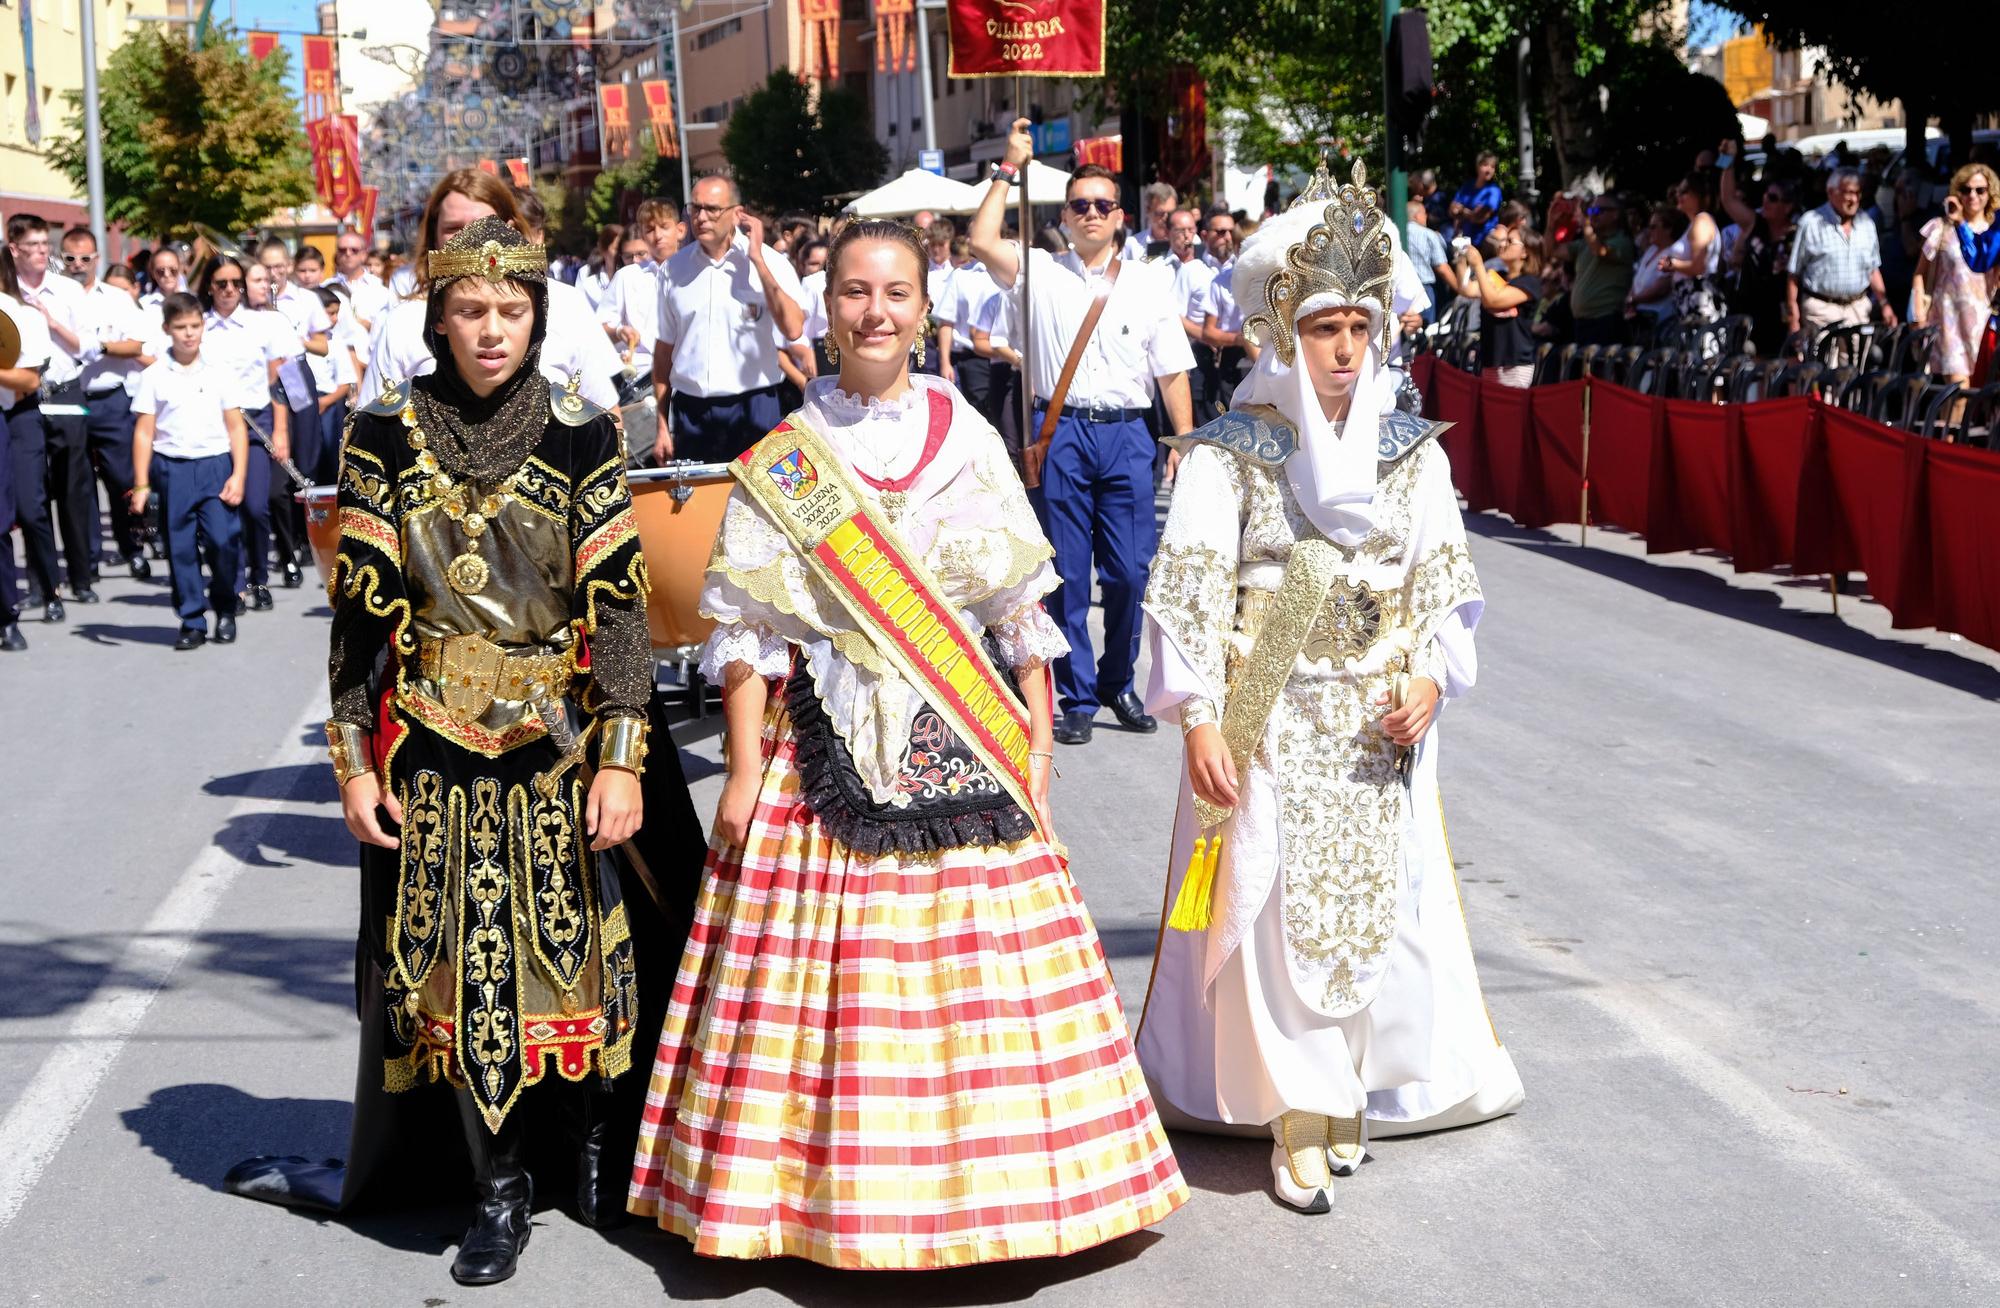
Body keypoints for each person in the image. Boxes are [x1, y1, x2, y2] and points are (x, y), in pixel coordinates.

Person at [627, 218, 1188, 1266]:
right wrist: (743, 771)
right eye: (852, 291)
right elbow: (749, 633)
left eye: (894, 292)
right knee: (821, 991)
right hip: (821, 739)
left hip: (958, 723)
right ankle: (808, 1205)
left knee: (977, 974)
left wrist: (1033, 736)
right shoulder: (782, 460)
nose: (874, 311)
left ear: (925, 308)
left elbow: (1018, 599)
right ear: (822, 305)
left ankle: (1003, 1201)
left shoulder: (963, 431)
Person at [233, 218, 660, 1285]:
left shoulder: (581, 432)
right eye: (470, 310)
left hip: (552, 740)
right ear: (436, 315)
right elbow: (358, 622)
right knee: (457, 973)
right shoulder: (381, 431)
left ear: (538, 317)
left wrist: (619, 754)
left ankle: (592, 1161)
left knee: (579, 963)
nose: (490, 330)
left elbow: (618, 614)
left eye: (511, 311)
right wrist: (351, 761)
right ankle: (496, 1190)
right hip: (431, 740)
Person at [1135, 161, 1523, 1214]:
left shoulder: (1413, 457)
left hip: (1373, 727)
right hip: (1265, 722)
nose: (1342, 351)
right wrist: (1202, 719)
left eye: (1357, 326)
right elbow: (1185, 592)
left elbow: (1444, 586)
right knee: (1267, 916)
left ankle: (1343, 1087)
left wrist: (1432, 681)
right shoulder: (1230, 456)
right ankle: (1294, 1116)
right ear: (1279, 333)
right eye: (1320, 329)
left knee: (1366, 912)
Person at [969, 121, 1196, 747]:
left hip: (1128, 435)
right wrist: (1007, 167)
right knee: (1066, 573)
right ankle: (1074, 695)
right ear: (1065, 215)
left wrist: (1186, 443)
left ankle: (1118, 681)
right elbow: (981, 236)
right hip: (1060, 430)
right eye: (1080, 204)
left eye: (1102, 204)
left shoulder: (1150, 278)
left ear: (1120, 215)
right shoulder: (1037, 269)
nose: (1091, 213)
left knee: (1129, 573)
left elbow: (1172, 370)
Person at [357, 171, 623, 411]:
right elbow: (371, 432)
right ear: (433, 237)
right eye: (453, 228)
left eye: (482, 224)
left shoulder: (566, 304)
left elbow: (605, 415)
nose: (467, 238)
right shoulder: (403, 322)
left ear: (510, 228)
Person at [648, 174, 805, 464]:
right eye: (695, 208)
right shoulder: (673, 270)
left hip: (756, 405)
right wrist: (661, 425)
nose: (701, 217)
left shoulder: (770, 261)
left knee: (759, 504)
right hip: (693, 414)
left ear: (737, 213)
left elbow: (794, 328)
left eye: (712, 209)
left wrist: (757, 260)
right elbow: (663, 355)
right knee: (701, 507)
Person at [127, 292, 250, 651]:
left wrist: (238, 474)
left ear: (203, 326)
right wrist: (141, 483)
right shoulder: (153, 375)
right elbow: (144, 432)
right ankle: (191, 619)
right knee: (180, 547)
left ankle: (226, 606)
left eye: (195, 325)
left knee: (222, 542)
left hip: (215, 465)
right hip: (173, 468)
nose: (189, 334)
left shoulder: (219, 371)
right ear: (167, 329)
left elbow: (237, 428)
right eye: (180, 327)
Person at [9, 213, 97, 611]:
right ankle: (44, 581)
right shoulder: (6, 293)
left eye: (47, 244)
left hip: (65, 393)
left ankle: (80, 575)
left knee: (73, 488)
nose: (43, 252)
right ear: (14, 249)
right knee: (31, 495)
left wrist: (51, 322)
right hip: (23, 399)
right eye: (34, 246)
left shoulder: (66, 290)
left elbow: (88, 348)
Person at [198, 255, 296, 611]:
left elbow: (279, 382)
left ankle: (259, 576)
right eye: (221, 283)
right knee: (225, 509)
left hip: (256, 422)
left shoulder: (260, 325)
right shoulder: (200, 326)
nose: (229, 290)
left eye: (236, 283)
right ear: (209, 285)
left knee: (256, 506)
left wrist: (281, 430)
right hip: (213, 426)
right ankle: (234, 582)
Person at [63, 225, 156, 578]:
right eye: (70, 257)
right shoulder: (54, 297)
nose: (78, 264)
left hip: (110, 398)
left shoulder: (115, 298)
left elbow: (136, 344)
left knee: (122, 480)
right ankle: (87, 560)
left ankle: (131, 546)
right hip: (70, 398)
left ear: (96, 258)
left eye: (85, 257)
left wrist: (101, 347)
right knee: (78, 483)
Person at [1, 251, 55, 648]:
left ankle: (8, 615)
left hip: (12, 416)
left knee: (22, 512)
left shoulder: (16, 314)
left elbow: (27, 379)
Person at [1787, 168, 1896, 363]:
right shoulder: (1811, 223)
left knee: (1856, 369)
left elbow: (1872, 269)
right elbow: (1794, 273)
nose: (1853, 199)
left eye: (1857, 193)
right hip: (1821, 309)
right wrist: (1793, 317)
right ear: (1831, 192)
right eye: (1848, 192)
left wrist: (1884, 304)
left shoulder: (1866, 223)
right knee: (1824, 371)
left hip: (1857, 308)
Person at [1913, 163, 2000, 389]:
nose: (1973, 195)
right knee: (1957, 393)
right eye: (1966, 189)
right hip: (1948, 321)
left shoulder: (1994, 233)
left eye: (1980, 190)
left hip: (1983, 323)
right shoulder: (1940, 227)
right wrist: (1918, 316)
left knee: (1981, 395)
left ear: (1989, 193)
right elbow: (1919, 274)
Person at [597, 198, 683, 364]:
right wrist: (620, 332)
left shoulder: (696, 271)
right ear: (643, 235)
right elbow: (598, 328)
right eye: (650, 230)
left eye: (664, 227)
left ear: (680, 230)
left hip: (687, 372)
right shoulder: (626, 277)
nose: (658, 236)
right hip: (644, 371)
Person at [1720, 177, 1798, 358]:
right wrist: (1727, 160)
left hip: (1780, 312)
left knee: (1784, 362)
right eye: (1765, 195)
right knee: (1753, 365)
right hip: (1750, 309)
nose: (1765, 200)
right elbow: (1728, 200)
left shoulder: (1797, 234)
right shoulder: (1755, 224)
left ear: (1787, 206)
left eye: (1772, 198)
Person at [1460, 227, 1545, 387]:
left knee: (1509, 411)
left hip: (1515, 365)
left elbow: (1493, 300)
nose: (1502, 244)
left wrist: (1478, 265)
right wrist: (1461, 259)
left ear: (1525, 252)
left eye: (1510, 241)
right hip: (1491, 361)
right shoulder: (1498, 275)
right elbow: (1466, 289)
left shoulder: (1530, 283)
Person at [1662, 173, 1724, 340]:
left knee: (1701, 355)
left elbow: (1699, 267)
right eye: (1677, 191)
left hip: (1697, 299)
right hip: (1688, 299)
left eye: (1684, 191)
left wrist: (1672, 264)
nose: (1678, 195)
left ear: (1700, 195)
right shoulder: (1695, 223)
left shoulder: (1701, 221)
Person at [1569, 193, 1636, 347]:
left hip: (1606, 321)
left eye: (1598, 211)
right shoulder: (1586, 243)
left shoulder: (1622, 241)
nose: (1592, 215)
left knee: (1602, 370)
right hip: (1583, 323)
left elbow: (1602, 252)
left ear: (1615, 214)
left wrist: (1585, 223)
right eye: (1590, 211)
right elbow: (1552, 251)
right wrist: (1553, 220)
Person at [306, 286, 358, 480]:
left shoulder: (336, 342)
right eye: (329, 313)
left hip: (328, 405)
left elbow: (345, 382)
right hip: (304, 404)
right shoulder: (302, 340)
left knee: (330, 455)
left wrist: (325, 402)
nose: (334, 319)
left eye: (336, 313)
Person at [1626, 204, 1682, 338]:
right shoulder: (1650, 250)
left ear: (1668, 229)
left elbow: (1661, 289)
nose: (1648, 231)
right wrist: (1631, 300)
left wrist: (1632, 300)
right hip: (1640, 319)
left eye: (1653, 227)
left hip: (1661, 322)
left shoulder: (1674, 253)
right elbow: (1636, 281)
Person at [332, 227, 393, 336]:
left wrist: (369, 326)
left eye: (354, 250)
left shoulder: (380, 288)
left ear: (364, 255)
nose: (348, 253)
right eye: (342, 250)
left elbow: (390, 328)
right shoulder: (327, 288)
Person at [1404, 199, 1455, 326]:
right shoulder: (1428, 234)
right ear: (1416, 215)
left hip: (1400, 290)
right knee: (1426, 333)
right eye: (1424, 213)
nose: (1426, 216)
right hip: (1424, 291)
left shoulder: (1394, 233)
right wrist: (1459, 289)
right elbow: (1442, 268)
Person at [1449, 152, 1503, 244]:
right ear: (1477, 166)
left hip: (1484, 242)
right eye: (1485, 165)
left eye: (1492, 167)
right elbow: (1452, 210)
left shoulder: (1493, 191)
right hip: (1464, 240)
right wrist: (1471, 213)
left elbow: (1480, 217)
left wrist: (1462, 211)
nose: (1489, 170)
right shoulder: (1467, 186)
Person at [1123, 181, 1179, 261]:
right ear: (1148, 210)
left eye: (1170, 213)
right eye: (1160, 213)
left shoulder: (1190, 240)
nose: (1166, 218)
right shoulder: (1132, 245)